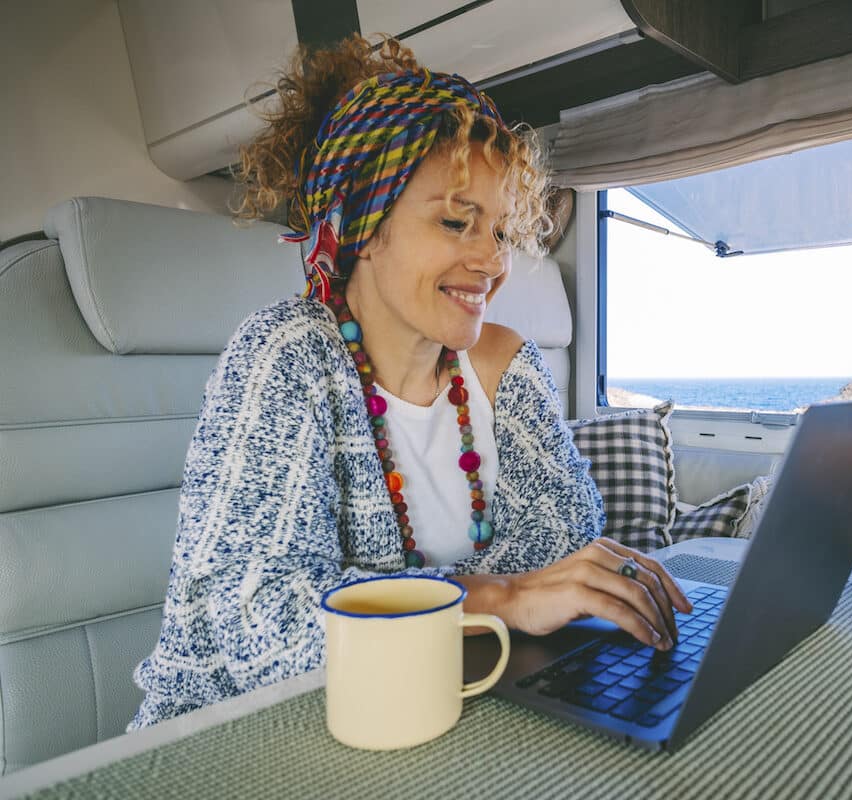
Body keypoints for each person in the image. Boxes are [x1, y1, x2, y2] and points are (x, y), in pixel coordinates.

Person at [129, 36, 690, 730]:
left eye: (500, 230)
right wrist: (497, 596)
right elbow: (252, 624)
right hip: (234, 740)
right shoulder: (287, 356)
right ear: (363, 226)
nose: (492, 261)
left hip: (432, 711)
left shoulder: (506, 363)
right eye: (457, 222)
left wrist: (520, 592)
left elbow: (565, 545)